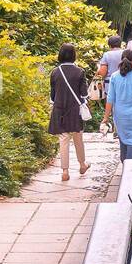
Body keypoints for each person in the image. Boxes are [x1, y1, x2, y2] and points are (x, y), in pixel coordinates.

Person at [47, 43, 90, 180]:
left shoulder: (55, 72)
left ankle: (65, 171)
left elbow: (53, 96)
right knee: (78, 138)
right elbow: (83, 94)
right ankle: (82, 164)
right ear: (73, 55)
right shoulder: (80, 72)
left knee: (63, 140)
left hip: (59, 109)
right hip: (75, 110)